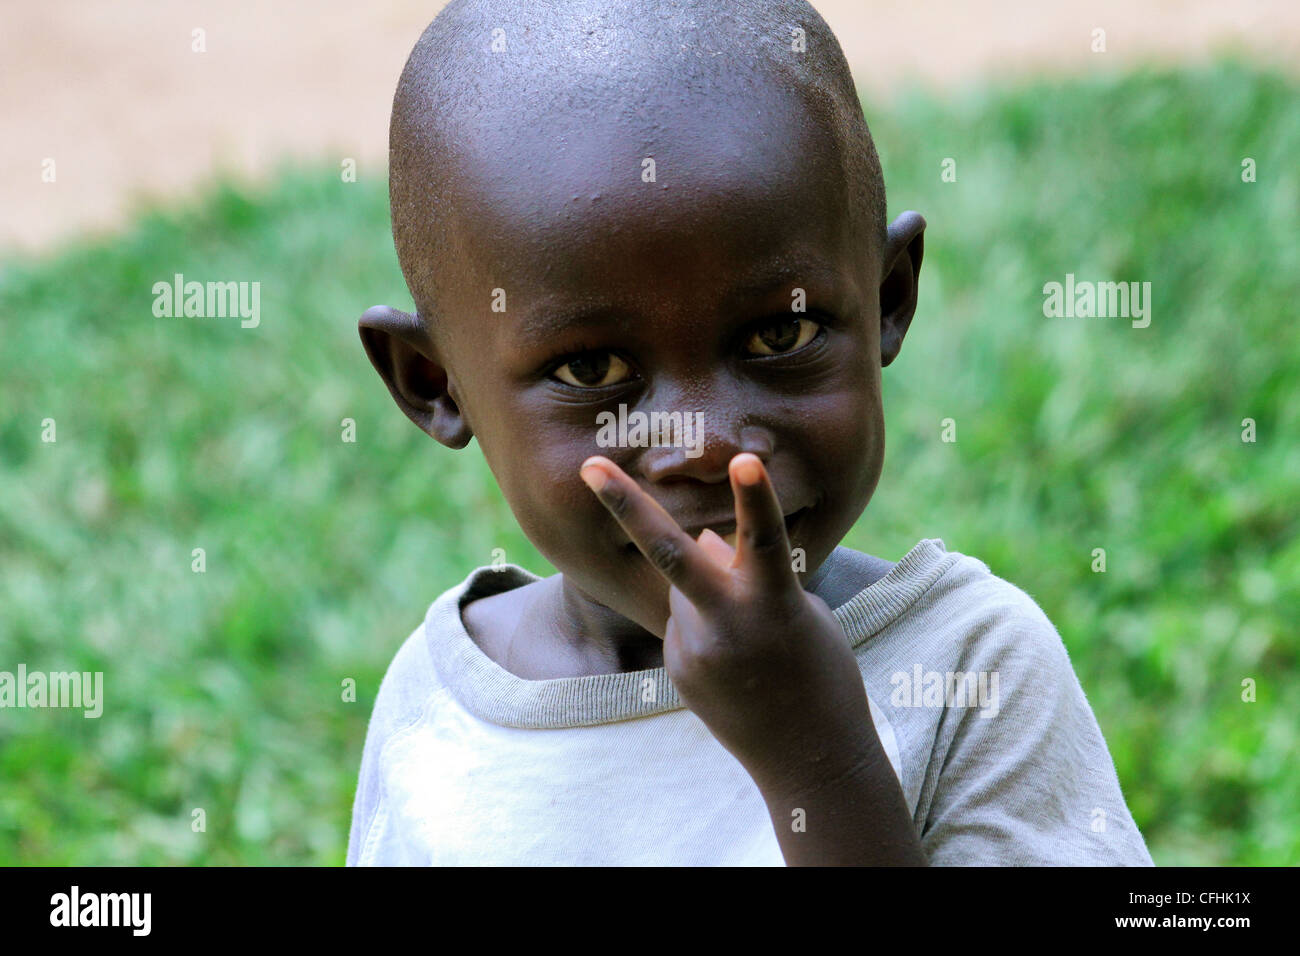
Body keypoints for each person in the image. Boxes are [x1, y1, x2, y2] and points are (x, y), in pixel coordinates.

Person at [346, 0, 1153, 865]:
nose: (706, 443)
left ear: (886, 300)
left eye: (781, 336)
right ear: (434, 385)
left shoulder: (971, 670)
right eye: (591, 372)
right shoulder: (441, 705)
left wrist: (821, 763)